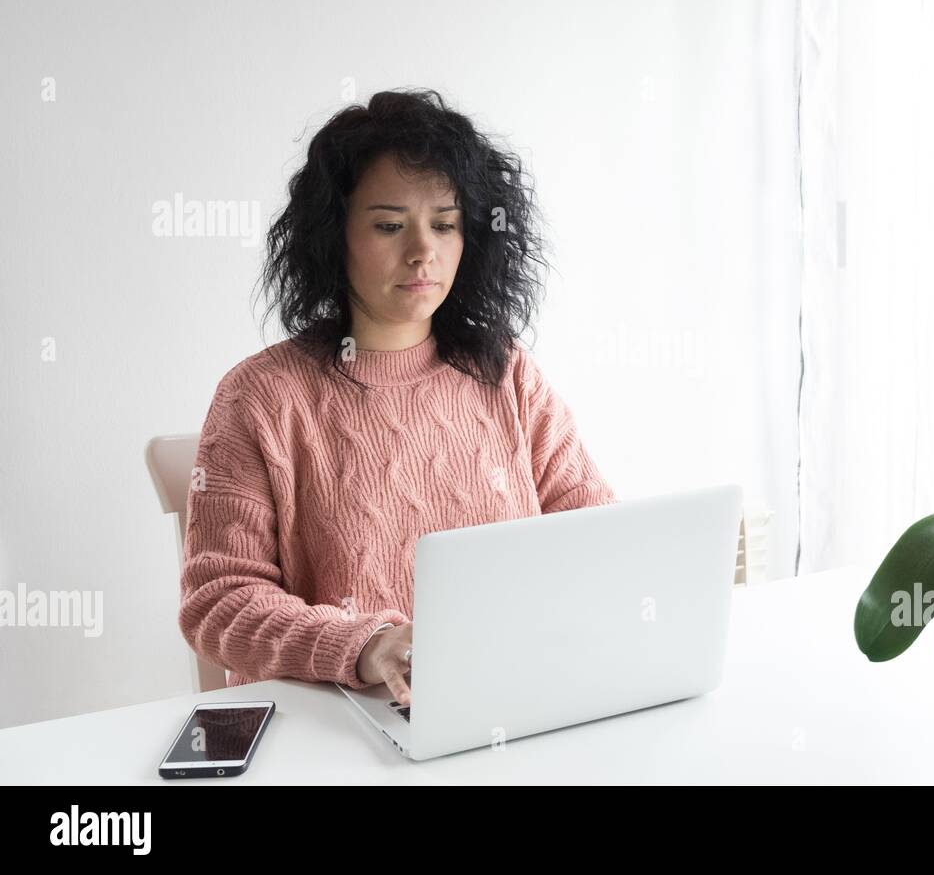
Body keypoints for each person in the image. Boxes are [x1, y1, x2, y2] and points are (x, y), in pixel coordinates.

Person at [179, 88, 617, 708]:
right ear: (334, 237)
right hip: (338, 720)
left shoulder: (506, 374)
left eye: (444, 224)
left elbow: (597, 530)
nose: (423, 252)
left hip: (503, 703)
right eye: (389, 226)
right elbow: (219, 601)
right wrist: (366, 646)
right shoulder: (259, 397)